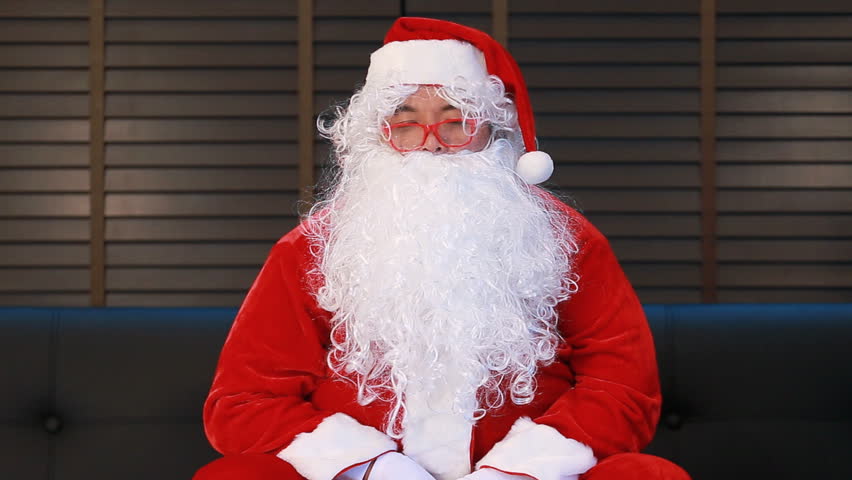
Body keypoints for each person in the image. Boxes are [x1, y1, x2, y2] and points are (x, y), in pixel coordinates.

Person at [195, 17, 690, 480]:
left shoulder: (565, 238)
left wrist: (516, 470)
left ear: (494, 133)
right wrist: (374, 468)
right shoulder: (312, 248)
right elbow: (243, 400)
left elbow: (623, 385)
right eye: (405, 122)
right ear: (378, 135)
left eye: (456, 121)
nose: (430, 144)